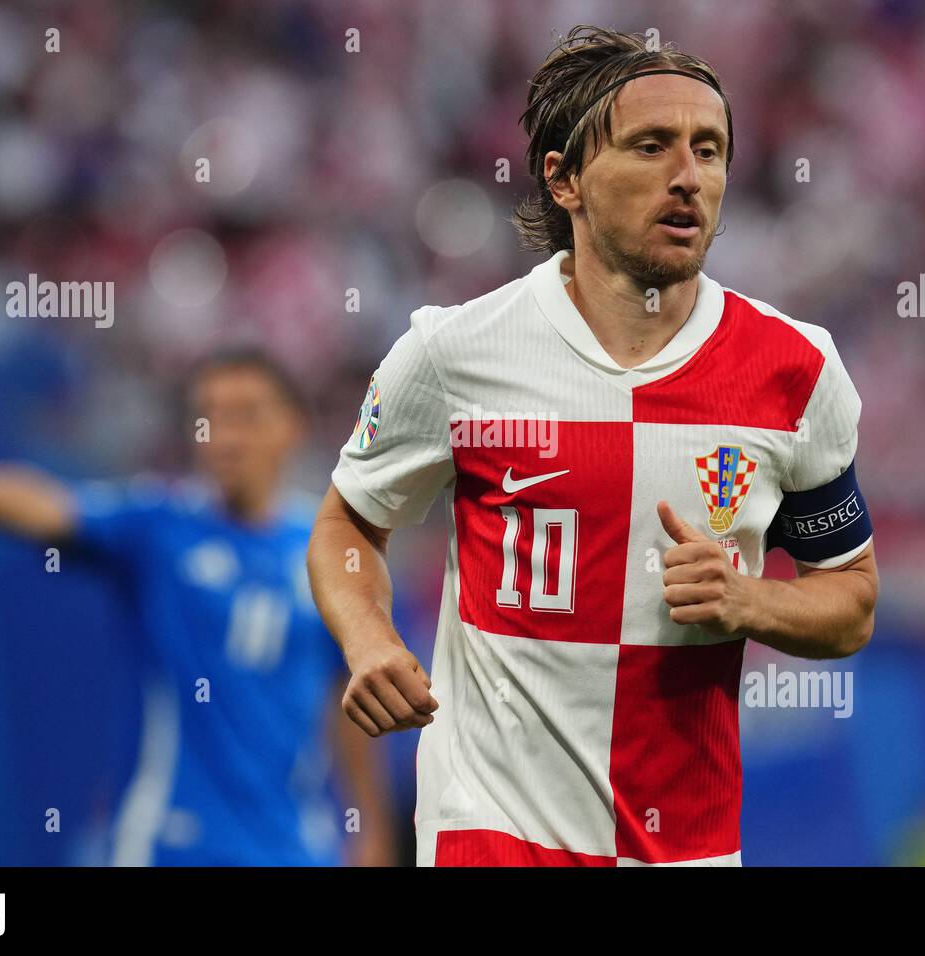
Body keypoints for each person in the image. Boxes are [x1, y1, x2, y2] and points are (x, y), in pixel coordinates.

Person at [307, 25, 879, 867]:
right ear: (563, 178)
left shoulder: (795, 369)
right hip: (489, 831)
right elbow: (348, 526)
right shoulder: (455, 351)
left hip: (686, 845)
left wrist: (751, 601)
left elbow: (851, 599)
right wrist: (370, 639)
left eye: (709, 150)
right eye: (651, 146)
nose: (688, 176)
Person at [0, 346, 394, 866]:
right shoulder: (159, 526)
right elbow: (48, 507)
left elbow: (343, 695)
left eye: (246, 416)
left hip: (296, 847)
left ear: (294, 427)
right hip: (170, 841)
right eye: (208, 419)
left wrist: (368, 823)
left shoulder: (326, 553)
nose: (226, 437)